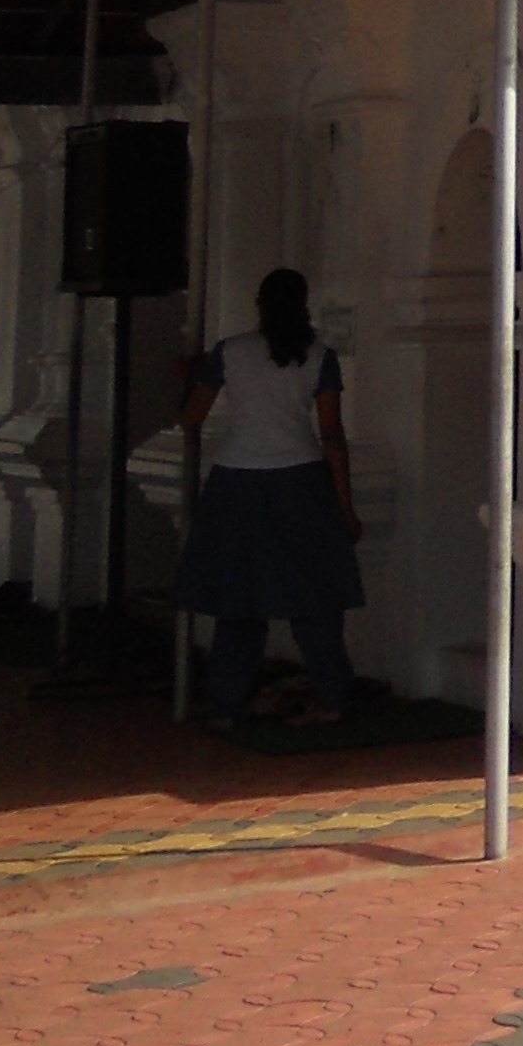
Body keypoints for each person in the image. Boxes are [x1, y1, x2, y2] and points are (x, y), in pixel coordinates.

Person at [173, 269, 364, 728]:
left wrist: (187, 377)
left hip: (235, 484)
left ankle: (224, 707)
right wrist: (345, 506)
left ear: (259, 304)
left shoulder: (229, 352)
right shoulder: (319, 357)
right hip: (302, 483)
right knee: (313, 599)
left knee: (238, 603)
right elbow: (332, 437)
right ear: (304, 304)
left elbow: (191, 418)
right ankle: (332, 700)